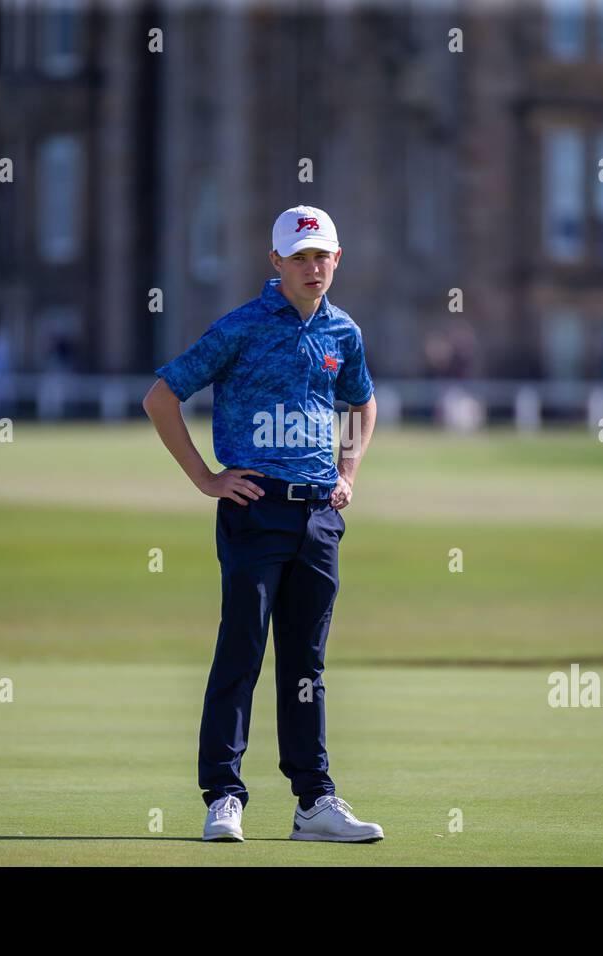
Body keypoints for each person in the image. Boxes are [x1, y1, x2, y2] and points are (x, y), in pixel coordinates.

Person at [142, 204, 383, 843]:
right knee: (242, 650)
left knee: (306, 664)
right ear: (275, 262)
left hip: (318, 516)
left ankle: (314, 802)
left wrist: (348, 472)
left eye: (321, 256)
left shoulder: (343, 333)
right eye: (299, 257)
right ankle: (223, 794)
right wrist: (206, 478)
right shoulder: (241, 328)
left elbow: (362, 401)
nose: (312, 267)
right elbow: (162, 397)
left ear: (337, 259)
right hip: (253, 508)